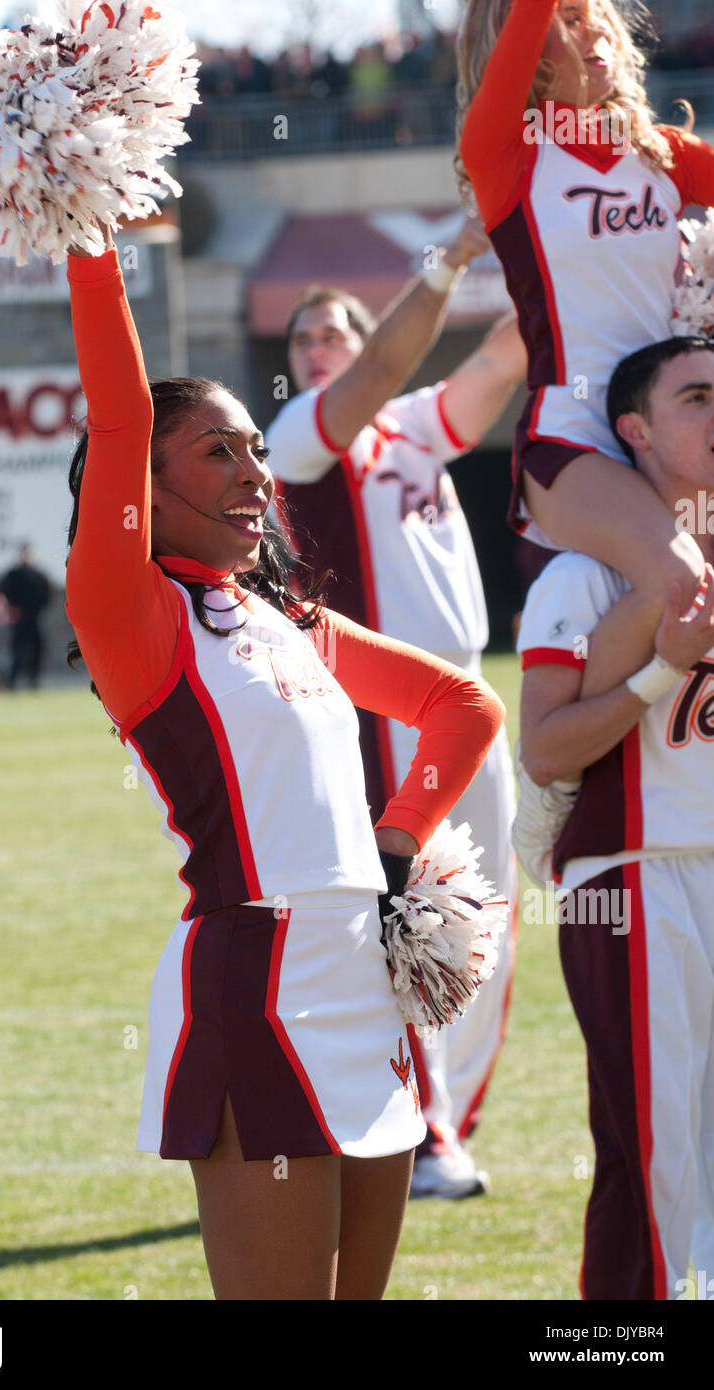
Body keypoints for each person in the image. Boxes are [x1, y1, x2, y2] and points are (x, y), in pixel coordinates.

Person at [65, 228, 505, 1300]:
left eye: (257, 446)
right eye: (217, 450)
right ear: (146, 484)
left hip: (366, 981)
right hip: (255, 982)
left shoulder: (289, 622)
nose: (254, 469)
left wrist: (396, 842)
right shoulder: (136, 612)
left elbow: (464, 704)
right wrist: (87, 226)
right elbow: (119, 407)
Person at [265, 223, 526, 1198]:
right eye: (300, 338)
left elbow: (508, 351)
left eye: (331, 329)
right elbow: (379, 368)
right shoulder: (295, 435)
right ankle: (420, 1135)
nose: (315, 346)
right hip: (378, 701)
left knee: (486, 924)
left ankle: (440, 1124)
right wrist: (448, 257)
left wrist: (564, 251)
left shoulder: (415, 422)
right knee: (406, 914)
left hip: (465, 692)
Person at [515, 335, 714, 1299]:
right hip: (633, 881)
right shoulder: (576, 576)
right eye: (697, 398)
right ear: (631, 429)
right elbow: (545, 749)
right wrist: (659, 667)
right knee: (649, 1149)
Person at [456, 0, 714, 682]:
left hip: (679, 430)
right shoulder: (503, 154)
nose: (592, 28)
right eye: (566, 19)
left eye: (594, 13)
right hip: (573, 438)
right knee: (681, 577)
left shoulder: (664, 154)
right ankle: (559, 758)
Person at [0, 544, 51, 690]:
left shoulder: (38, 575)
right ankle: (13, 680)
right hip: (18, 617)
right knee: (16, 650)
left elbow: (45, 594)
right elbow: (5, 592)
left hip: (34, 617)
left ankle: (34, 679)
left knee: (36, 649)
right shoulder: (13, 574)